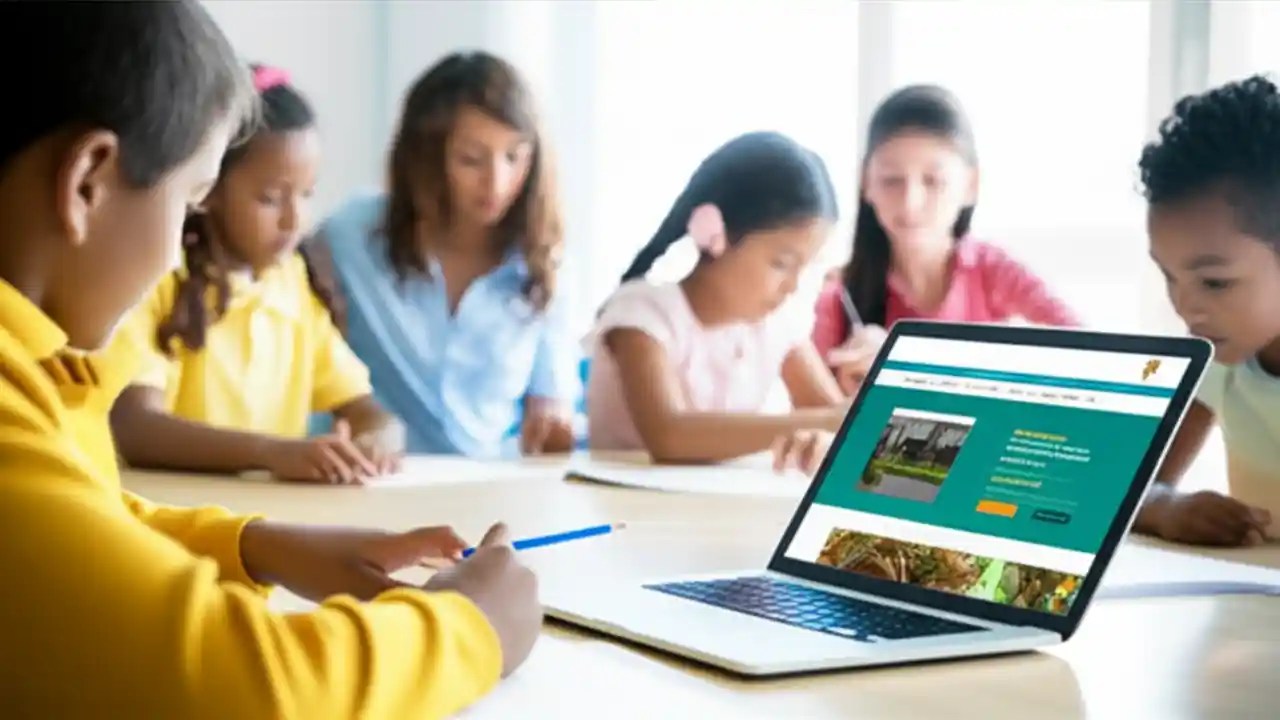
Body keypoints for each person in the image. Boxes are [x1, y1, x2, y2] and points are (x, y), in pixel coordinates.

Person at [0, 3, 540, 716]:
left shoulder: (34, 369)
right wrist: (471, 627)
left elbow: (81, 523)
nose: (174, 249)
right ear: (87, 184)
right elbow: (252, 687)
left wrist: (259, 547)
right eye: (190, 203)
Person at [108, 64, 404, 484]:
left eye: (306, 194)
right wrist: (269, 452)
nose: (294, 218)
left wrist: (377, 438)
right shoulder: (161, 276)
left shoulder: (292, 282)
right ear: (207, 188)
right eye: (270, 198)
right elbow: (134, 427)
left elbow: (368, 411)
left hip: (266, 523)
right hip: (173, 522)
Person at [313, 51, 579, 458]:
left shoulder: (541, 264)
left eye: (515, 156)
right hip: (367, 479)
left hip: (487, 483)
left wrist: (553, 422)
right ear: (425, 159)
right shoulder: (352, 236)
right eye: (471, 159)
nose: (497, 181)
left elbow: (553, 401)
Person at [587, 131, 848, 464]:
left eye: (806, 267)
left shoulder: (777, 326)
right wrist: (824, 422)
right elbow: (669, 436)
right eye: (782, 264)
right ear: (714, 233)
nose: (793, 286)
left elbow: (840, 419)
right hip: (627, 511)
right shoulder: (640, 314)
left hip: (722, 512)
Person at [813, 85, 1078, 394]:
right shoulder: (839, 294)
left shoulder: (992, 269)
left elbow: (1090, 351)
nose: (910, 202)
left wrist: (900, 361)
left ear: (971, 184)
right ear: (865, 183)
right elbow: (810, 420)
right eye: (891, 180)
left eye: (933, 181)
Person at [1135, 74, 1280, 547]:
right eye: (1169, 276)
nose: (1185, 305)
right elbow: (1130, 491)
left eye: (1215, 282)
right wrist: (1166, 507)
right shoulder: (1219, 362)